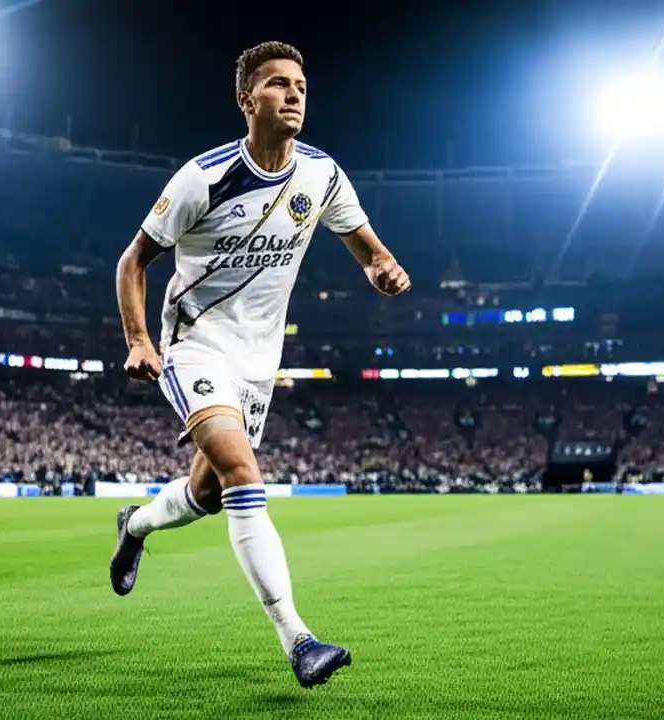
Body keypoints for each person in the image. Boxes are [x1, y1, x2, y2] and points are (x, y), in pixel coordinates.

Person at [110, 41, 410, 688]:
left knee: (208, 493)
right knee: (245, 472)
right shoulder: (204, 177)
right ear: (247, 101)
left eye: (300, 84)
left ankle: (134, 524)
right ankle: (298, 639)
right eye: (277, 84)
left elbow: (368, 247)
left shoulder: (322, 175)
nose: (295, 94)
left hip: (258, 364)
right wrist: (140, 340)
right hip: (195, 345)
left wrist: (383, 269)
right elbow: (133, 260)